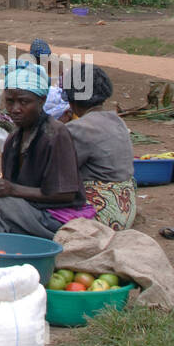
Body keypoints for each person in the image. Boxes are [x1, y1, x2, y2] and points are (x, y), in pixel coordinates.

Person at [0, 61, 89, 239]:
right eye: (10, 101)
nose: (15, 109)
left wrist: (12, 189)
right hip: (29, 206)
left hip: (53, 216)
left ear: (42, 101)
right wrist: (5, 188)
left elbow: (65, 194)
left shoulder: (55, 134)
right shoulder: (15, 138)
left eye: (24, 102)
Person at [64, 65, 137, 230]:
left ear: (71, 99)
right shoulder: (117, 121)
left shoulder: (79, 128)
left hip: (102, 216)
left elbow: (58, 173)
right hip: (126, 207)